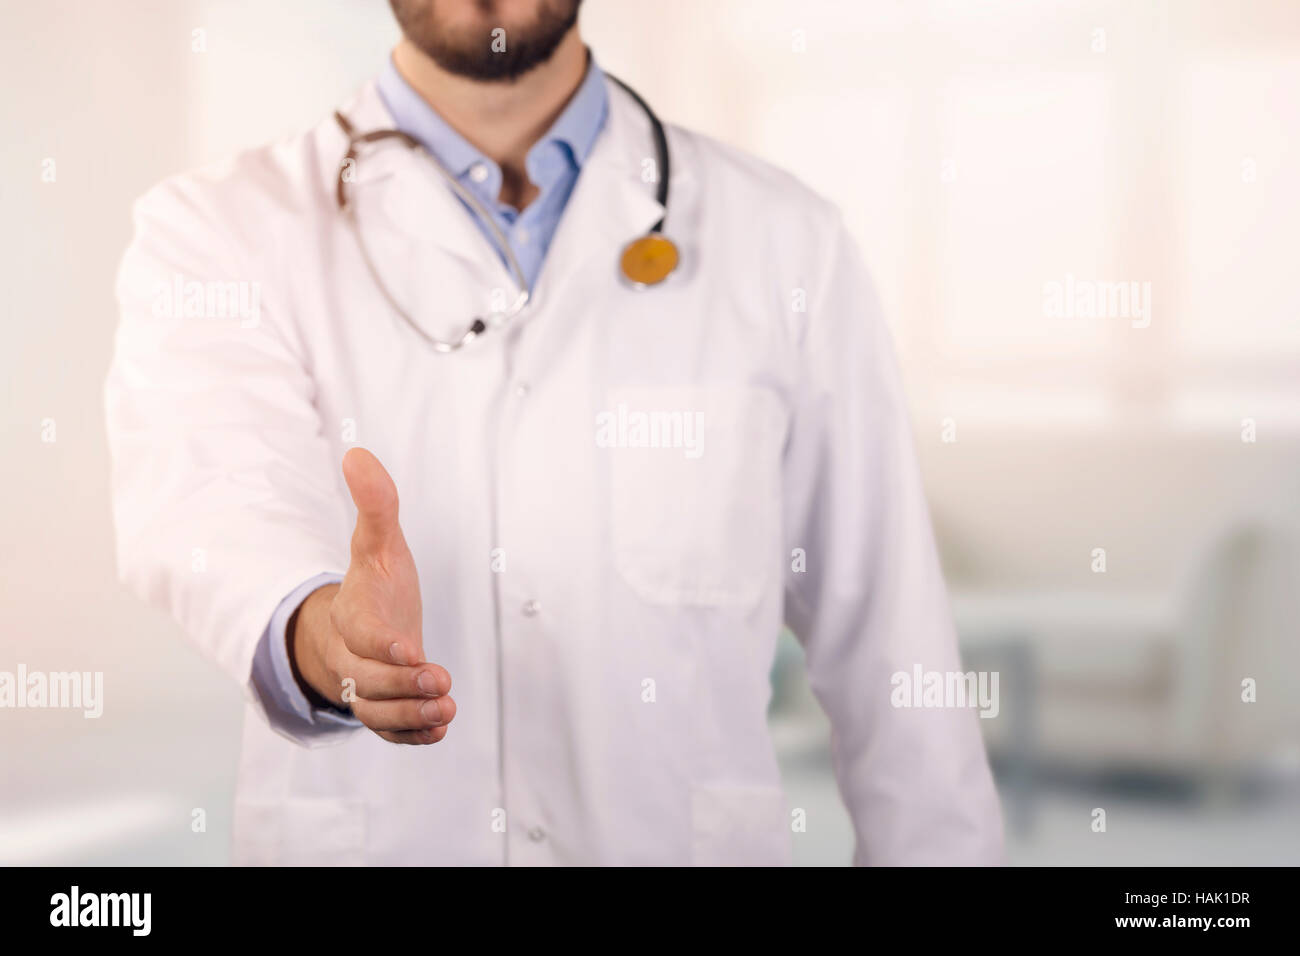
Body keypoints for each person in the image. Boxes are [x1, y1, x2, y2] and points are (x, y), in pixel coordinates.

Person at [105, 0, 1003, 865]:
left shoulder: (787, 242)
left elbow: (892, 640)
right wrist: (321, 638)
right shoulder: (216, 232)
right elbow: (211, 501)